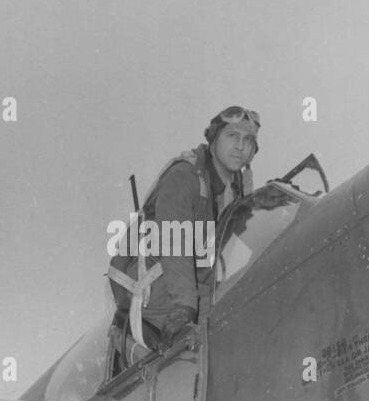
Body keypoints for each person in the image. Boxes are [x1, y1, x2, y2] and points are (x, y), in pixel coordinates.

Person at [109, 107, 260, 355]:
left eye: (248, 141)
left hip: (187, 287)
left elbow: (233, 241)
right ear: (213, 138)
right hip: (153, 291)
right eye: (232, 135)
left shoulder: (231, 191)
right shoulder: (184, 176)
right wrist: (184, 306)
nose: (240, 146)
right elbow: (173, 239)